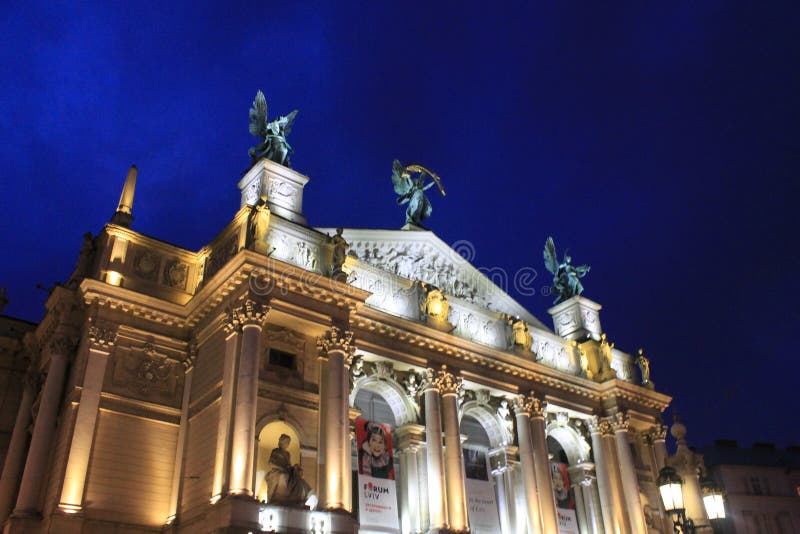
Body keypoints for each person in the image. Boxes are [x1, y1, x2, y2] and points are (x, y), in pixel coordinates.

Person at [265, 434, 311, 505]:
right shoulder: (276, 451)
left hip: (286, 471)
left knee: (298, 479)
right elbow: (271, 463)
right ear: (282, 442)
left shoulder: (287, 454)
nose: (287, 444)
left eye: (288, 442)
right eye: (286, 442)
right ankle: (281, 498)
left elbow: (288, 465)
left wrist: (294, 468)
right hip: (277, 471)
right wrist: (282, 468)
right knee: (284, 476)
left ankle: (300, 497)